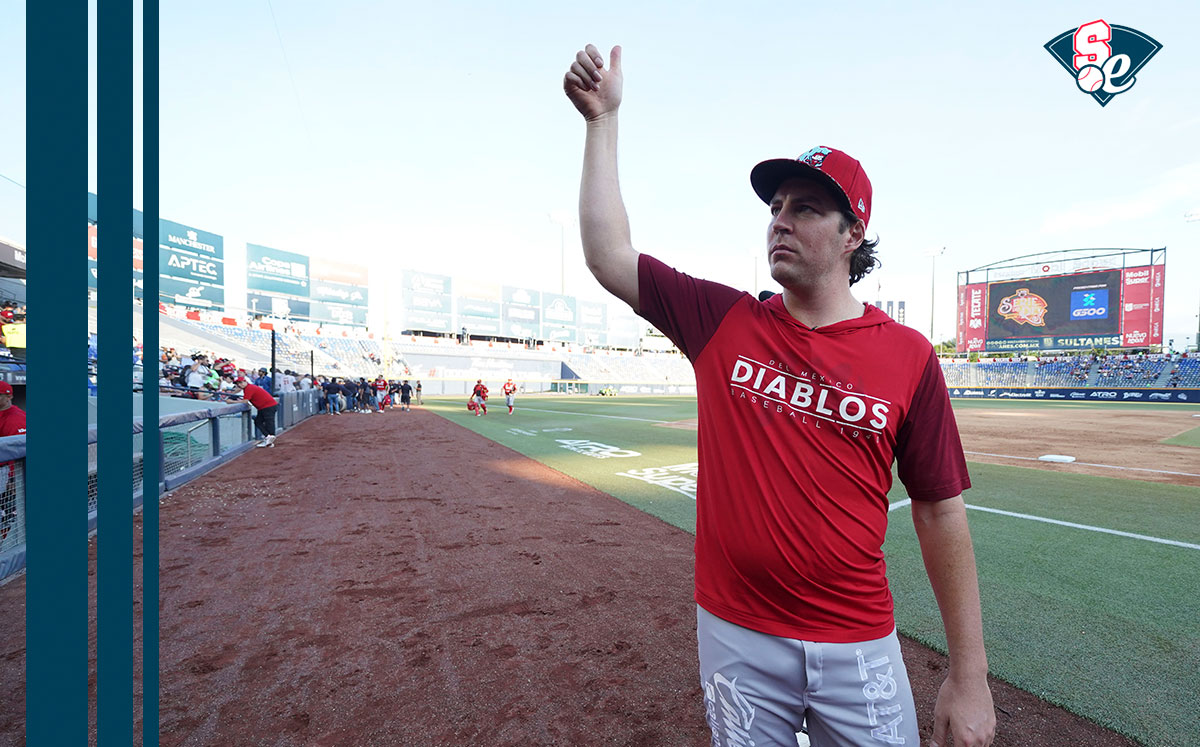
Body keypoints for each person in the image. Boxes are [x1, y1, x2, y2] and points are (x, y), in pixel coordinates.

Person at [564, 44, 995, 747]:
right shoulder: (723, 320)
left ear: (854, 233)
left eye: (807, 208)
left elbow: (941, 509)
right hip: (737, 635)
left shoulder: (909, 355)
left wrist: (969, 674)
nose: (780, 219)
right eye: (775, 206)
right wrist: (602, 122)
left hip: (859, 640)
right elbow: (609, 254)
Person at [0, 381, 26, 540]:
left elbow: (18, 453)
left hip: (6, 474)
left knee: (9, 512)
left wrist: (12, 479)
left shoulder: (15, 418)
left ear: (9, 396)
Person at [234, 376, 279, 447]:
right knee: (259, 422)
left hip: (267, 406)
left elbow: (245, 401)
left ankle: (270, 438)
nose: (239, 385)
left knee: (267, 422)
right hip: (265, 406)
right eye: (238, 383)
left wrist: (231, 402)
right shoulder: (248, 388)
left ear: (245, 381)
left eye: (240, 382)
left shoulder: (249, 388)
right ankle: (269, 438)